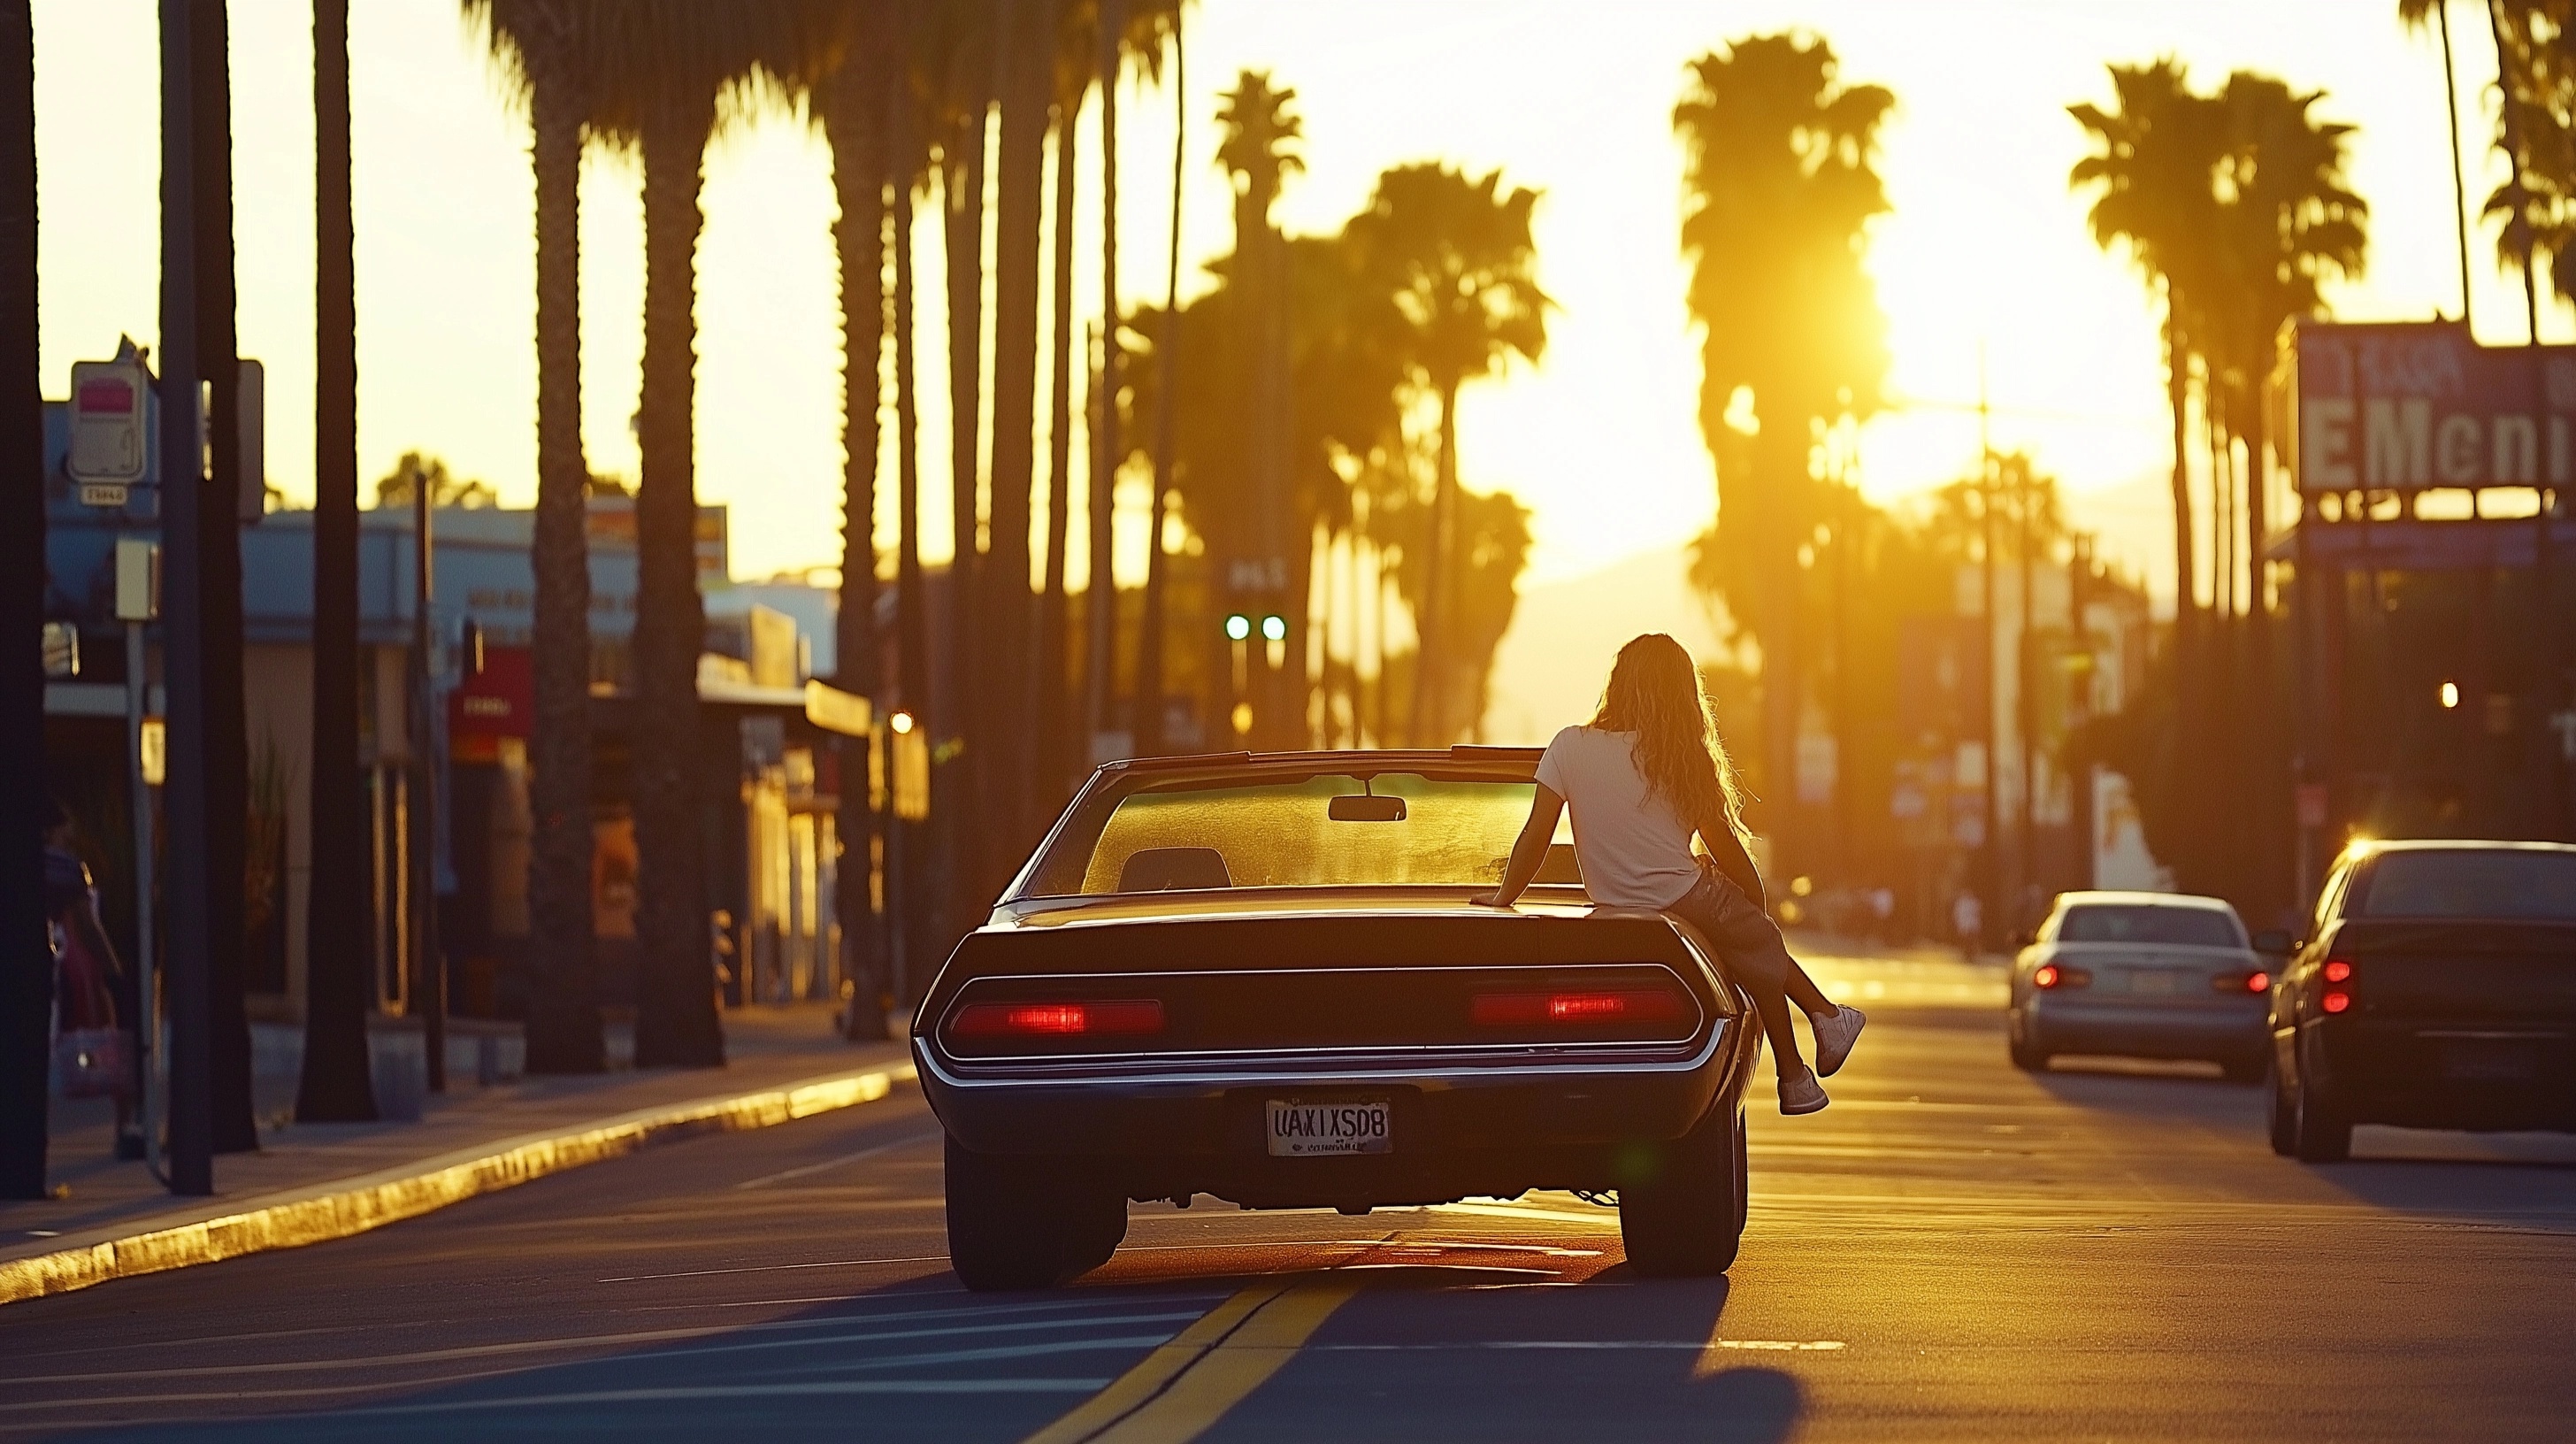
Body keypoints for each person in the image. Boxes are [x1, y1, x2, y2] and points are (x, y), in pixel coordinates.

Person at [1475, 634, 1864, 1115]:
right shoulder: (1679, 757)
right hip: (1688, 894)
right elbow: (1727, 852)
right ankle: (1810, 1045)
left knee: (1753, 948)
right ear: (1681, 694)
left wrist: (1503, 896)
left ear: (1618, 684)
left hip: (1615, 905)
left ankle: (1804, 1064)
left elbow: (1535, 836)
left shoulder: (1569, 746)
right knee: (1759, 945)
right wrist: (1755, 914)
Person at [42, 798, 143, 1158]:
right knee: (118, 1044)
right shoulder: (67, 868)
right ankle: (126, 1128)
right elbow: (87, 926)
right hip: (54, 967)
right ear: (54, 829)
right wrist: (114, 971)